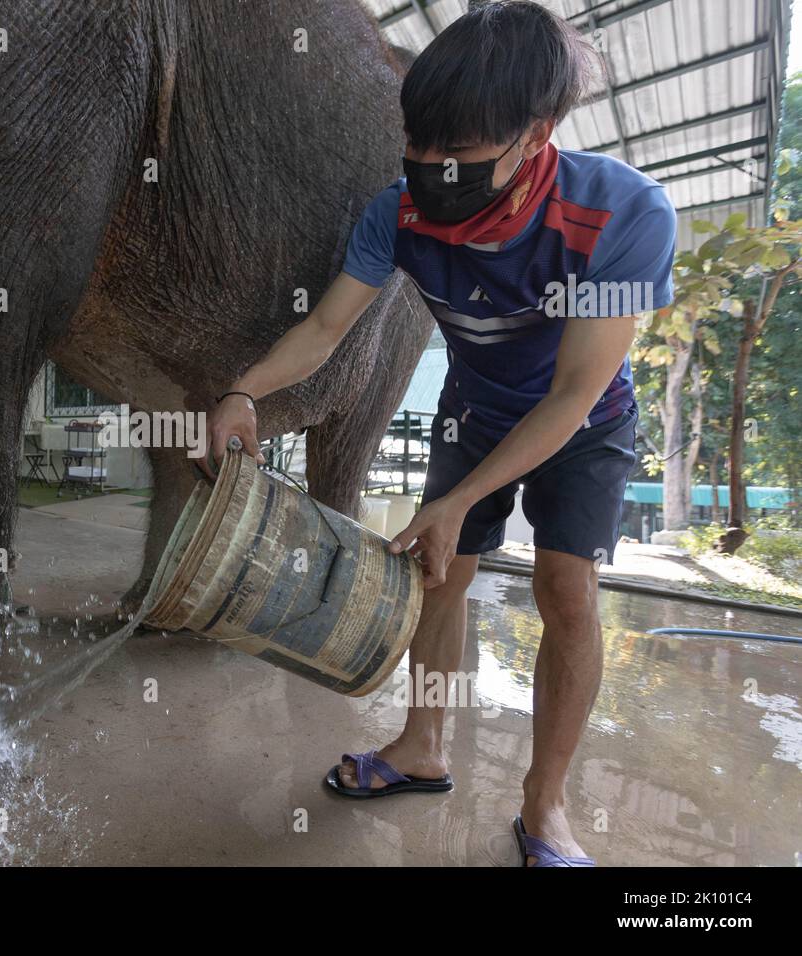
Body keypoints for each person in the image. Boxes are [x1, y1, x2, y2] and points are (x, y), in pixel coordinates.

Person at [202, 0, 677, 866]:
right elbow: (323, 332)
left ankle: (545, 806)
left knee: (565, 591)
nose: (430, 168)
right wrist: (243, 391)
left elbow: (575, 392)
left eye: (459, 154)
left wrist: (461, 499)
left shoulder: (623, 215)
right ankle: (422, 746)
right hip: (477, 405)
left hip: (585, 422)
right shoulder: (398, 214)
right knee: (438, 575)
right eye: (419, 145)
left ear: (536, 136)